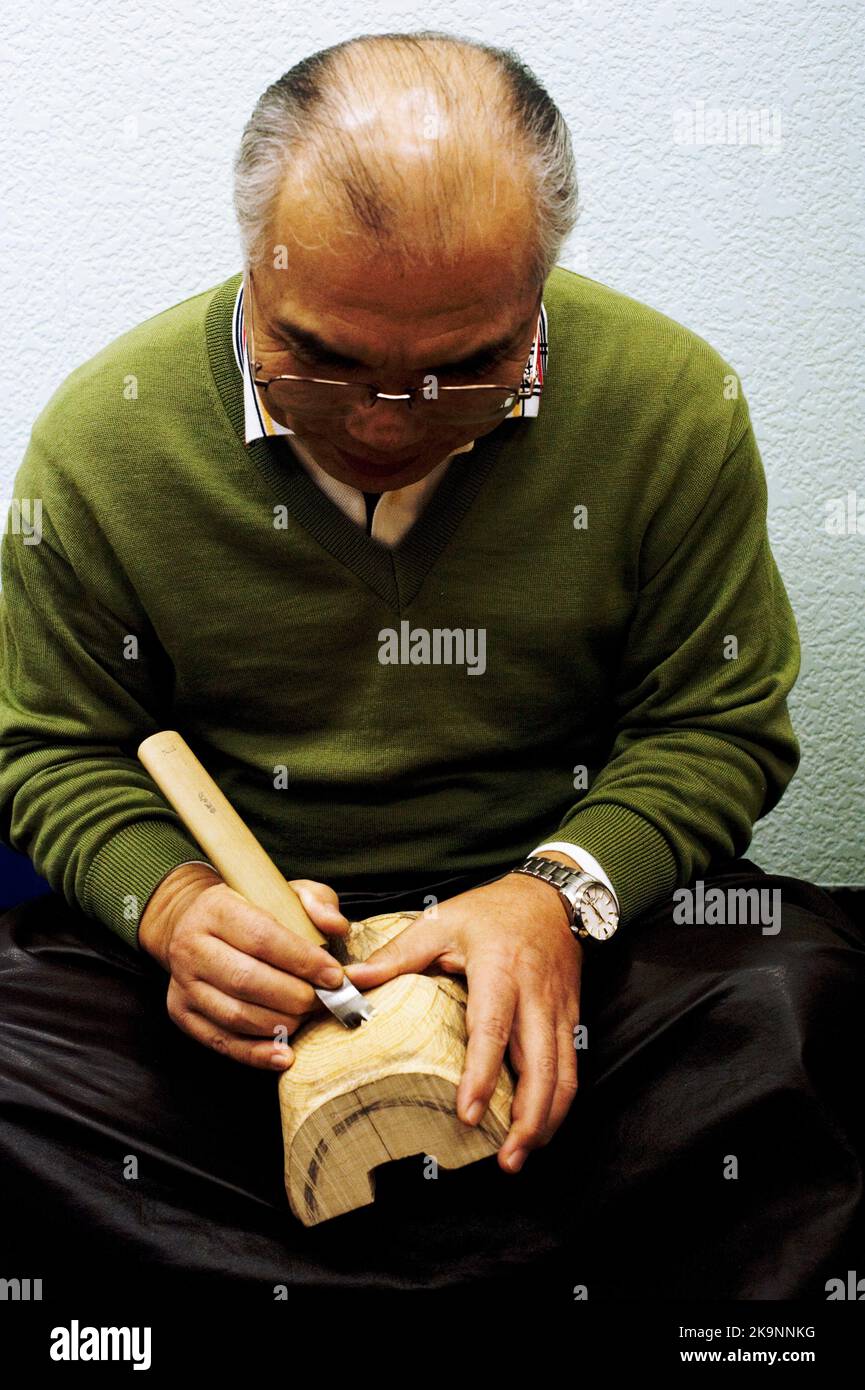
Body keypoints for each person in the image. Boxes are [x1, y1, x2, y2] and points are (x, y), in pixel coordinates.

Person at [0, 30, 862, 1303]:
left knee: (812, 1008)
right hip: (254, 972)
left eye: (465, 369)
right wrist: (176, 910)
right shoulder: (104, 440)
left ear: (540, 283)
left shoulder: (670, 404)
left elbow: (718, 724)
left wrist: (557, 895)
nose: (383, 426)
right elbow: (51, 747)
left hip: (574, 950)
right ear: (254, 261)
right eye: (326, 359)